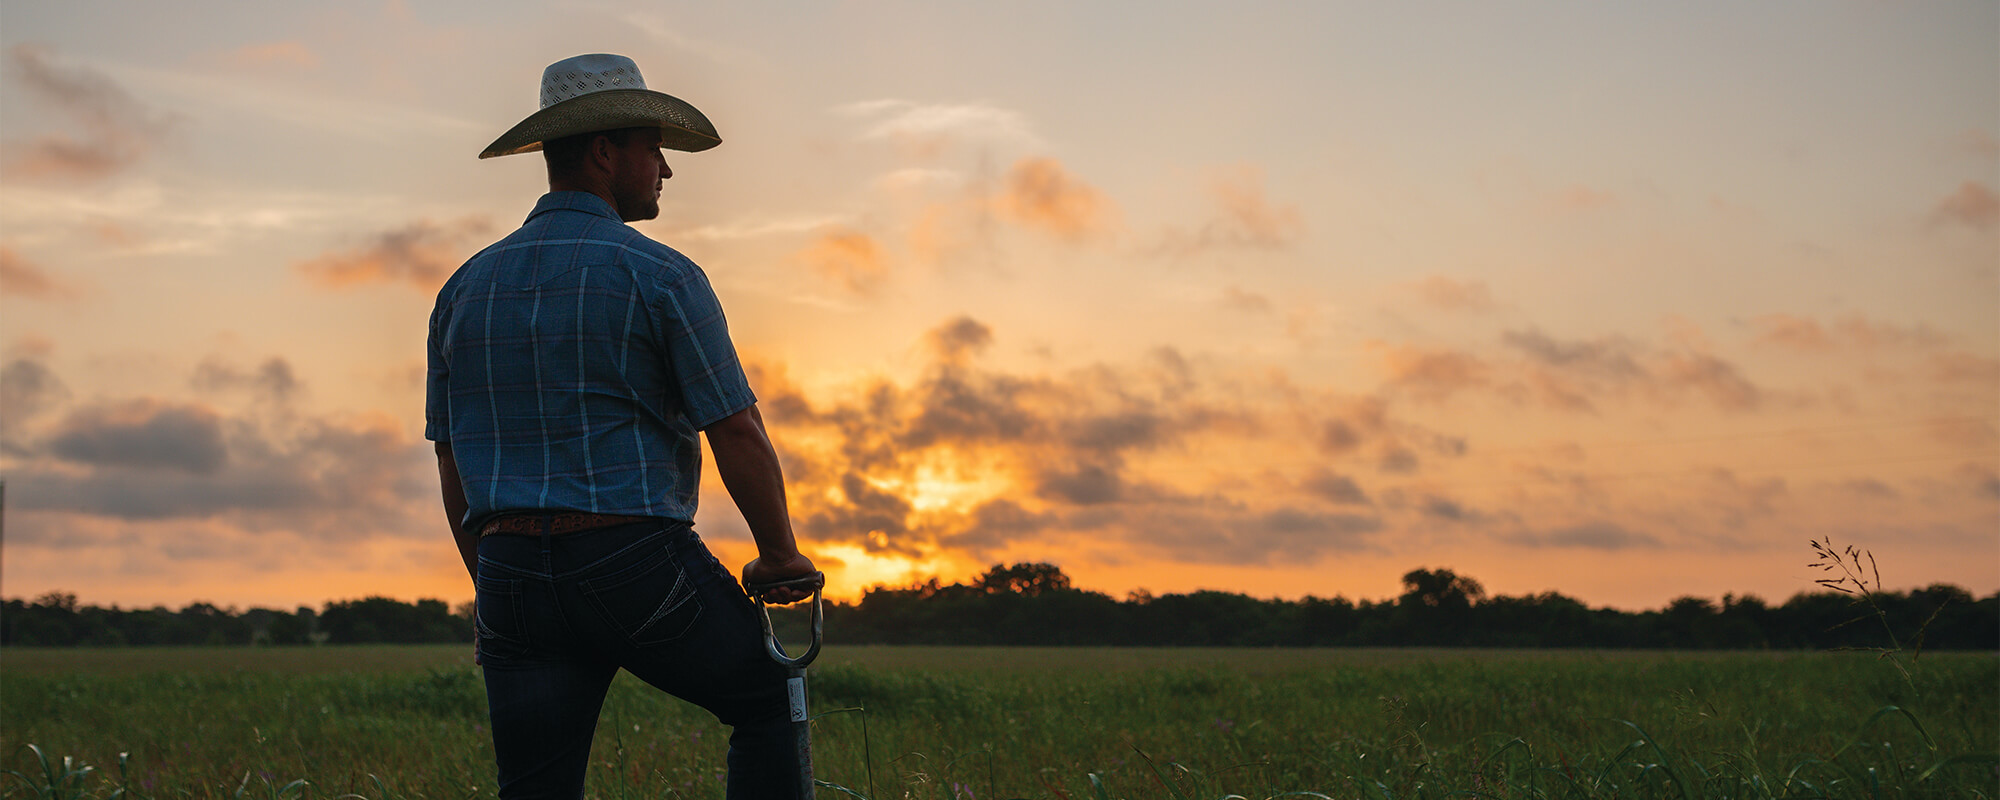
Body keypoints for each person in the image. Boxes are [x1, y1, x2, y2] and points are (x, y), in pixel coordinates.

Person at [426, 53, 819, 799]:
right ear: (606, 152)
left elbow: (453, 460)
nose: (665, 169)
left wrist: (495, 587)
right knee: (770, 701)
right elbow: (735, 430)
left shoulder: (462, 289)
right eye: (652, 147)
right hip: (631, 556)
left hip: (508, 566)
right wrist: (778, 555)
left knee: (536, 786)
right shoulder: (661, 275)